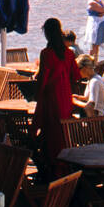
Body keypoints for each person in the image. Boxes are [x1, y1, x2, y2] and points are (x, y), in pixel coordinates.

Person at [32, 17, 82, 171]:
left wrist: (36, 96)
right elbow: (76, 75)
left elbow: (44, 78)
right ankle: (63, 165)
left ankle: (54, 167)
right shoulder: (67, 53)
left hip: (51, 98)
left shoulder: (46, 53)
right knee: (62, 133)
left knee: (51, 134)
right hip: (65, 97)